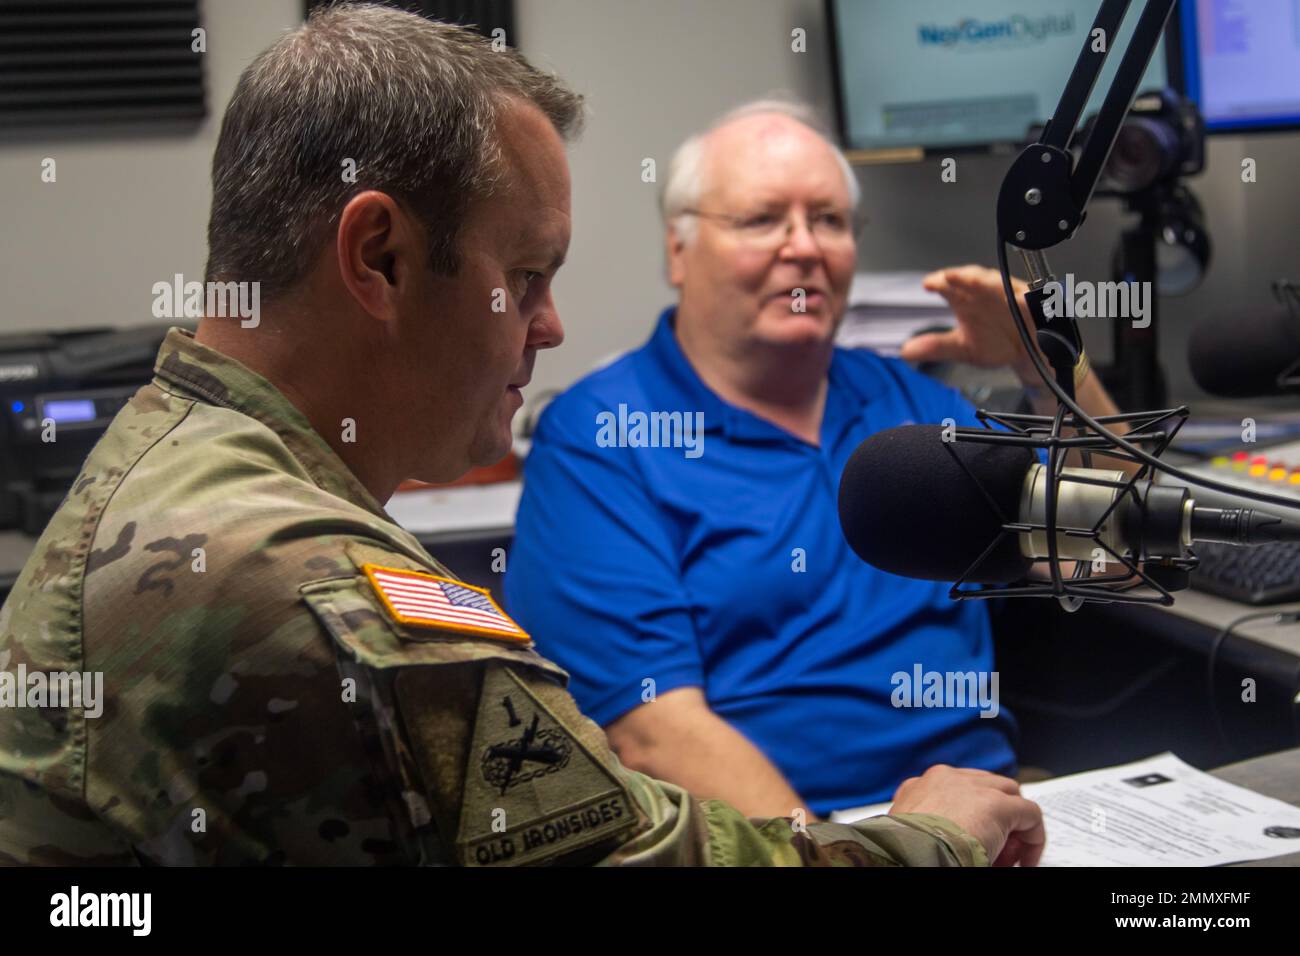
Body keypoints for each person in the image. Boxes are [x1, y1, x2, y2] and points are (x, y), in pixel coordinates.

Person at [0, 5, 1043, 867]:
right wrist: (936, 840)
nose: (550, 326)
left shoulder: (185, 445)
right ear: (381, 258)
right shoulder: (302, 585)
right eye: (527, 276)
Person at [505, 100, 1126, 820]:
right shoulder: (602, 438)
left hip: (983, 823)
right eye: (762, 219)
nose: (804, 247)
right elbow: (652, 733)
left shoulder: (916, 408)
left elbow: (1106, 552)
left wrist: (1049, 365)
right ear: (678, 251)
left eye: (828, 220)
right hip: (778, 844)